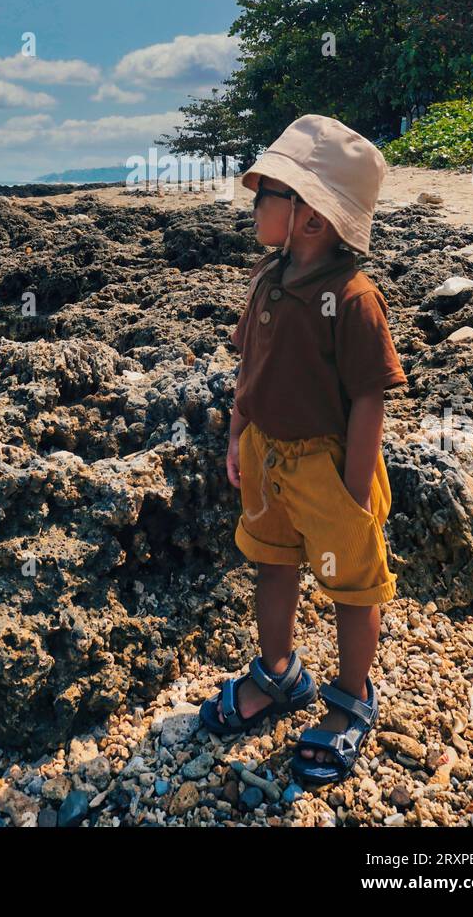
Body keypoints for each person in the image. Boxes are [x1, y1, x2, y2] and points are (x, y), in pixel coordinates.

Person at [198, 114, 408, 789]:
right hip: (265, 452)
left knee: (352, 584)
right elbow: (248, 366)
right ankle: (279, 672)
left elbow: (369, 397)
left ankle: (349, 700)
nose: (254, 202)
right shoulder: (267, 277)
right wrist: (237, 433)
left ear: (311, 216)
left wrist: (351, 490)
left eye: (269, 193)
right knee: (271, 564)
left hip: (329, 464)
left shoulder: (353, 299)